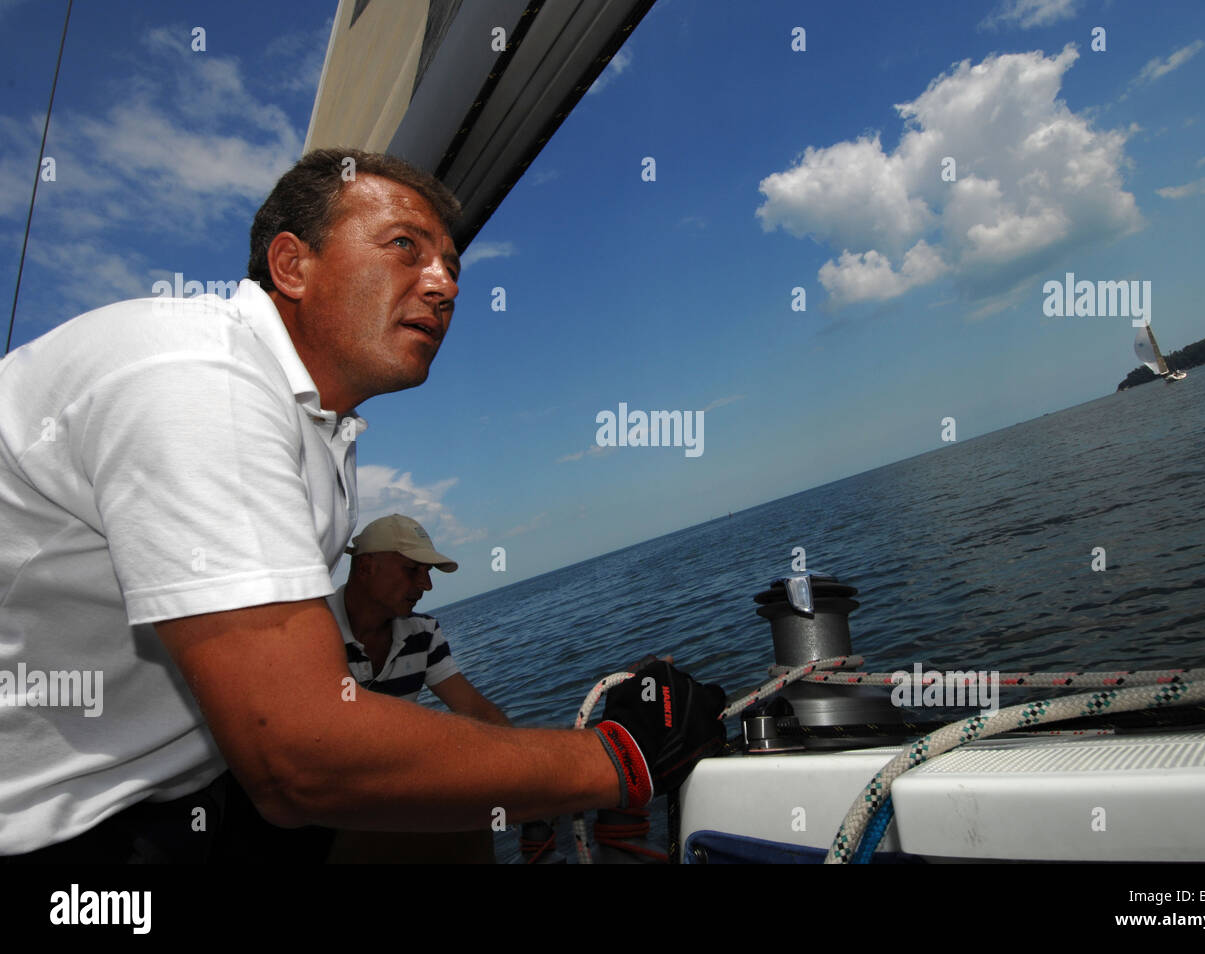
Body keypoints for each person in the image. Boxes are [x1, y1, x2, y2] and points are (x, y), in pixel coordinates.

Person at [0, 148, 725, 861]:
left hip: (204, 789)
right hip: (63, 834)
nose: (445, 285)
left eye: (452, 267)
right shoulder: (195, 373)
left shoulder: (320, 425)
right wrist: (614, 762)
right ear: (292, 266)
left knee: (451, 828)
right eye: (405, 247)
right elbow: (299, 758)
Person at [331, 514, 507, 725]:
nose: (426, 584)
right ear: (365, 567)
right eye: (413, 569)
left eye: (427, 571)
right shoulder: (305, 632)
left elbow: (476, 711)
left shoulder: (423, 633)